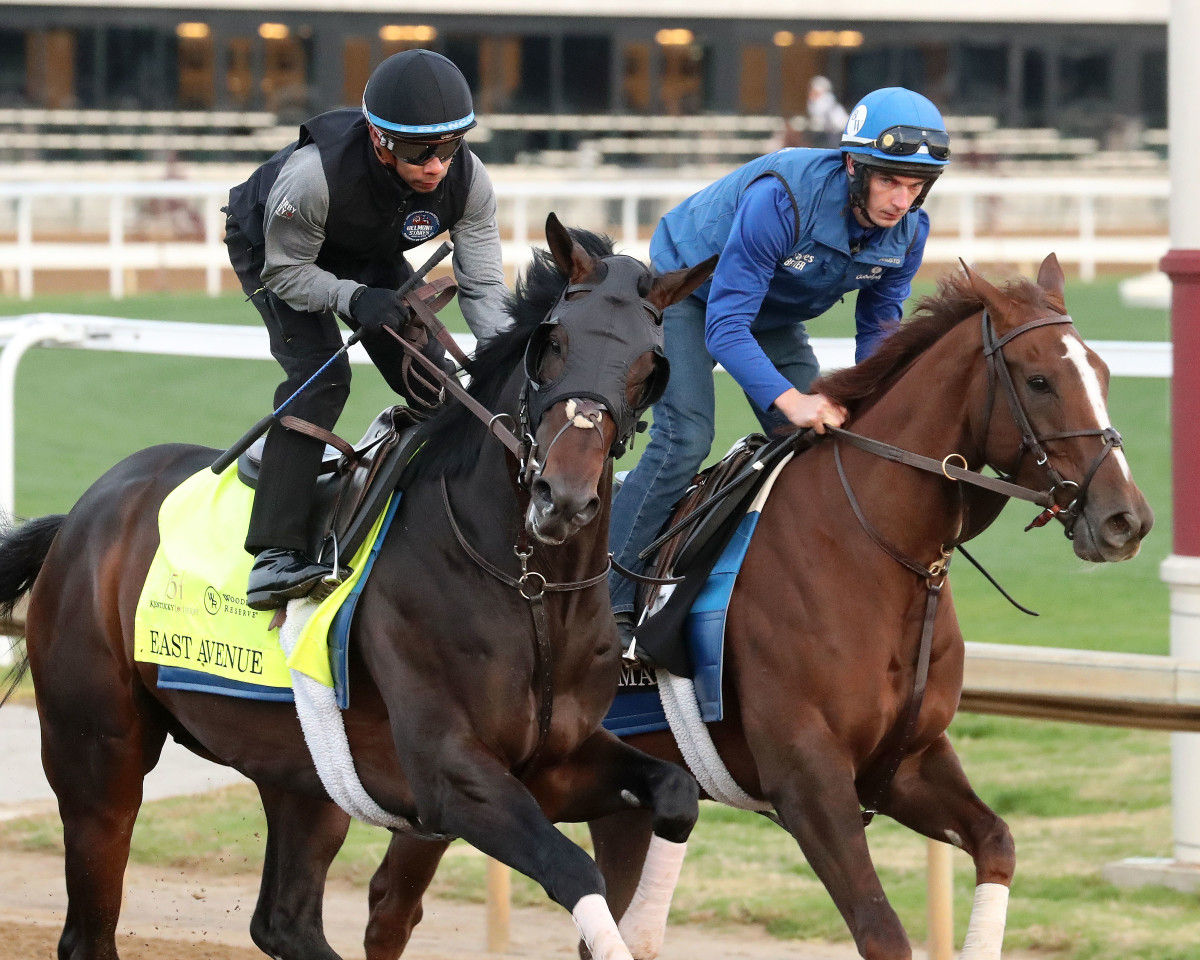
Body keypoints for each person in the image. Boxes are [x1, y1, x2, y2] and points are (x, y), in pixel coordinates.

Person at [608, 86, 951, 657]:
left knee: (820, 443)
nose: (900, 201)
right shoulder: (781, 200)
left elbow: (879, 332)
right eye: (890, 181)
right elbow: (726, 327)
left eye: (915, 187)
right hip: (692, 294)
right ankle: (608, 597)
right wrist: (789, 399)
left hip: (770, 307)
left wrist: (879, 405)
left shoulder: (910, 232)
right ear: (853, 165)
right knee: (686, 437)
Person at [223, 49, 510, 611]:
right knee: (322, 375)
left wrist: (509, 364)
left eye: (449, 146)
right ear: (379, 140)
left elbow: (483, 290)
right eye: (417, 150)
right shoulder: (312, 178)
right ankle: (275, 554)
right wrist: (353, 297)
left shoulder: (470, 181)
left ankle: (454, 525)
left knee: (437, 383)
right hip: (276, 253)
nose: (435, 166)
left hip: (368, 248)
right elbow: (289, 273)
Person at [805, 75, 849, 148]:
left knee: (835, 146)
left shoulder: (827, 98)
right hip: (826, 130)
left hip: (837, 128)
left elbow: (820, 114)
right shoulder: (813, 100)